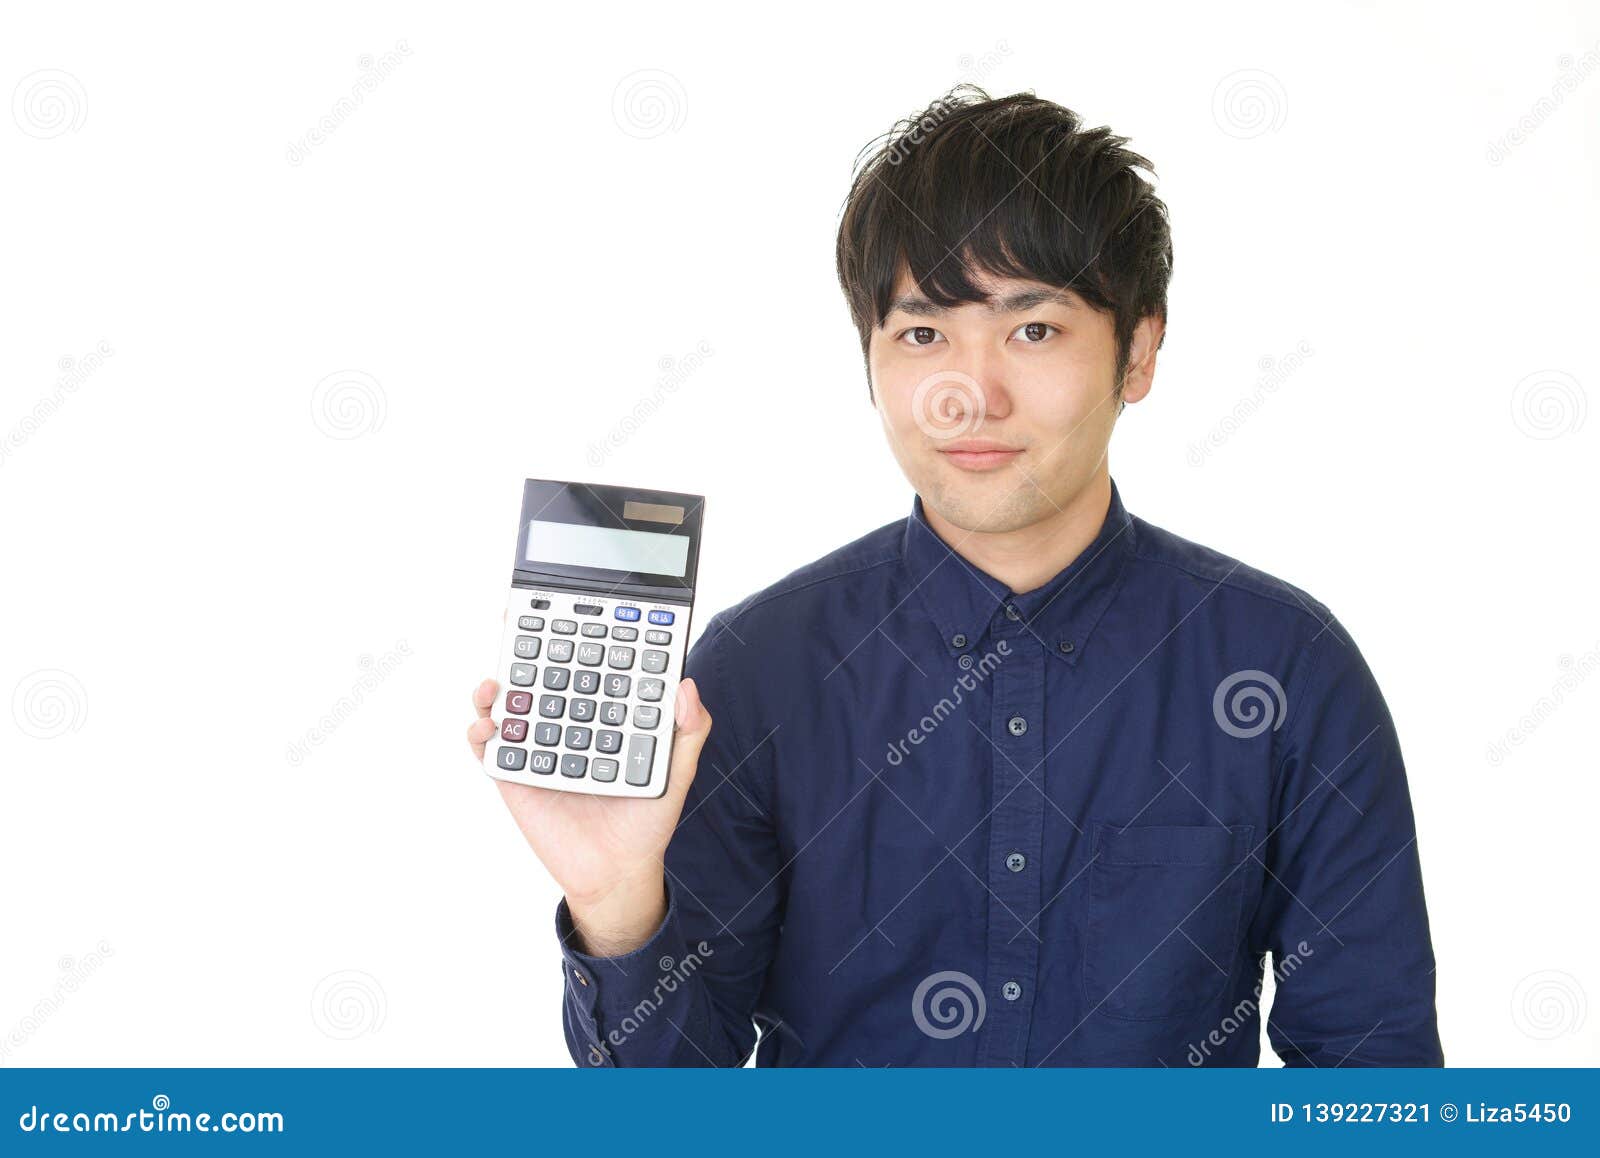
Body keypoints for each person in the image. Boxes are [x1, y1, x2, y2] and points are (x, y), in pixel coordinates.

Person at [465, 86, 1443, 1067]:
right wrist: (617, 907)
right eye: (923, 334)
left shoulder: (1284, 668)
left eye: (1033, 330)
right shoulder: (758, 669)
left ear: (1138, 351)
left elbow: (1374, 1077)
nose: (968, 395)